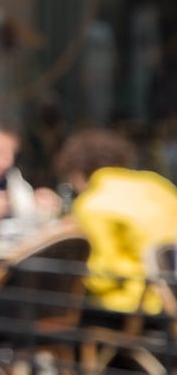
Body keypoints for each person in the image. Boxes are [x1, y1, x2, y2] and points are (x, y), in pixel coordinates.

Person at [54, 128, 177, 312]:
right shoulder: (155, 182)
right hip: (172, 293)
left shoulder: (91, 203)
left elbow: (101, 277)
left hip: (146, 303)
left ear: (78, 173)